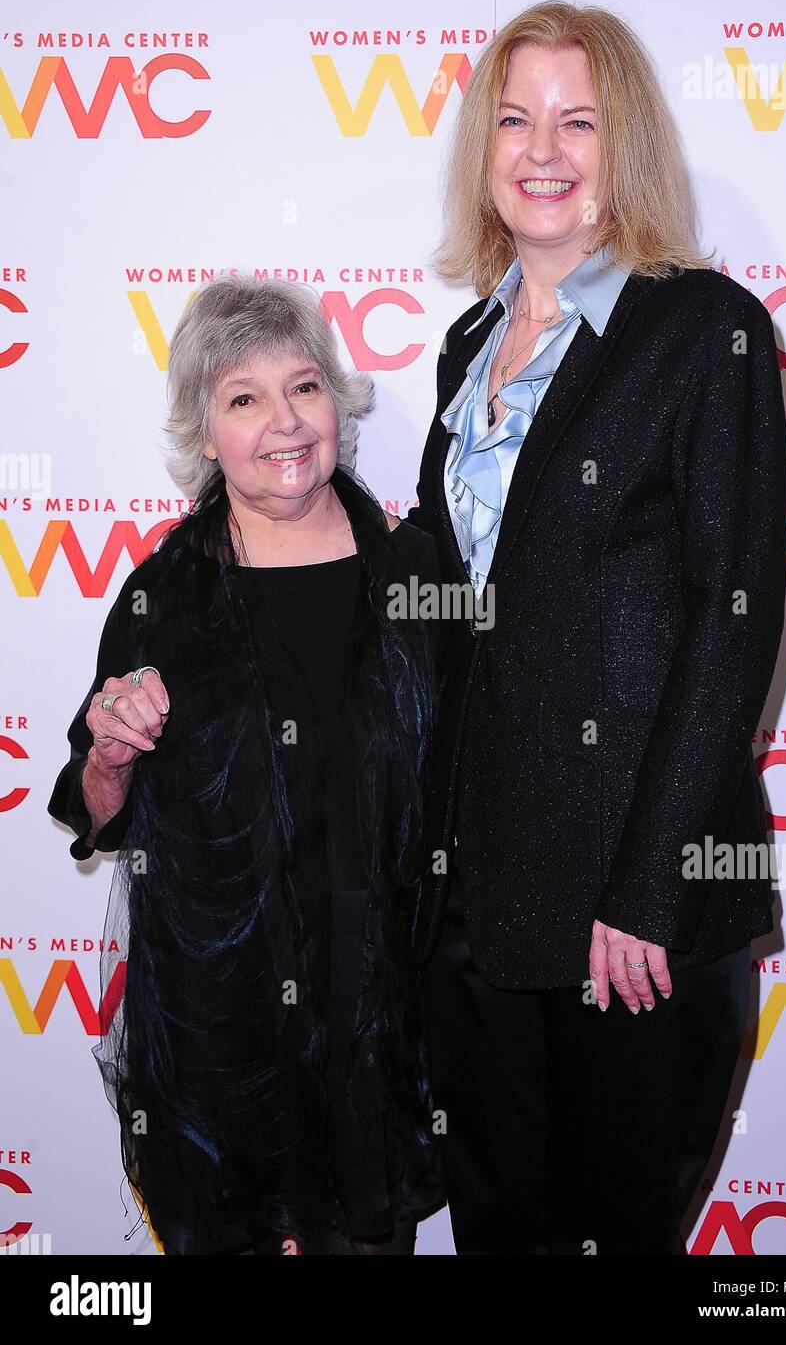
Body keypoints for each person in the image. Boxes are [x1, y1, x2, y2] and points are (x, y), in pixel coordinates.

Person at [406, 0, 786, 1254]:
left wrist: (647, 888)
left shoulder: (704, 328)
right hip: (478, 896)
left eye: (579, 118)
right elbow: (434, 604)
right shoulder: (471, 344)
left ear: (621, 144)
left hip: (631, 907)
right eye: (514, 117)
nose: (542, 148)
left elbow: (733, 622)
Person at [48, 275, 446, 1255]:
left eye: (302, 386)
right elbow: (94, 811)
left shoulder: (418, 575)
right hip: (223, 1036)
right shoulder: (162, 597)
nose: (283, 422)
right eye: (244, 397)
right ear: (205, 430)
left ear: (335, 404)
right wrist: (110, 749)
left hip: (380, 1022)